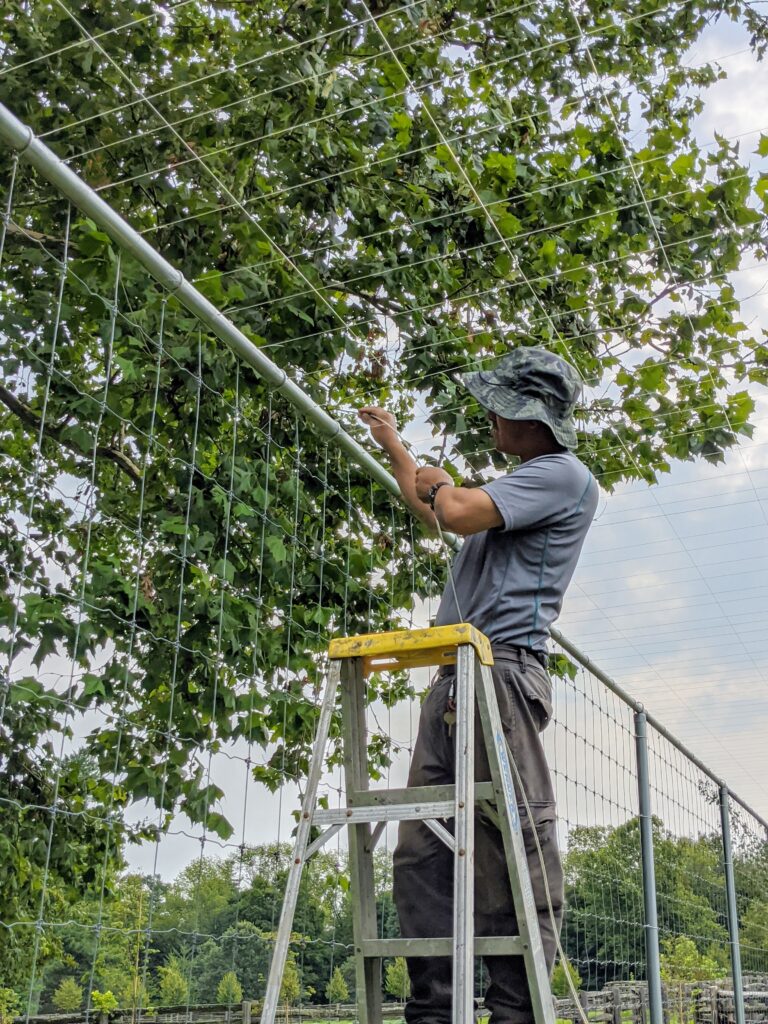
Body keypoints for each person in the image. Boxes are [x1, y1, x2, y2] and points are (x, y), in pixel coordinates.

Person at [358, 346, 598, 1024]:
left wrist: (442, 485)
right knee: (422, 847)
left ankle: (517, 1011)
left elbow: (454, 508)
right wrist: (396, 448)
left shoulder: (563, 475)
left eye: (498, 407)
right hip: (454, 676)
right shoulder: (516, 490)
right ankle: (433, 1008)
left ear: (530, 417)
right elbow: (437, 511)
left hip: (499, 673)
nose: (489, 417)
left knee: (511, 842)